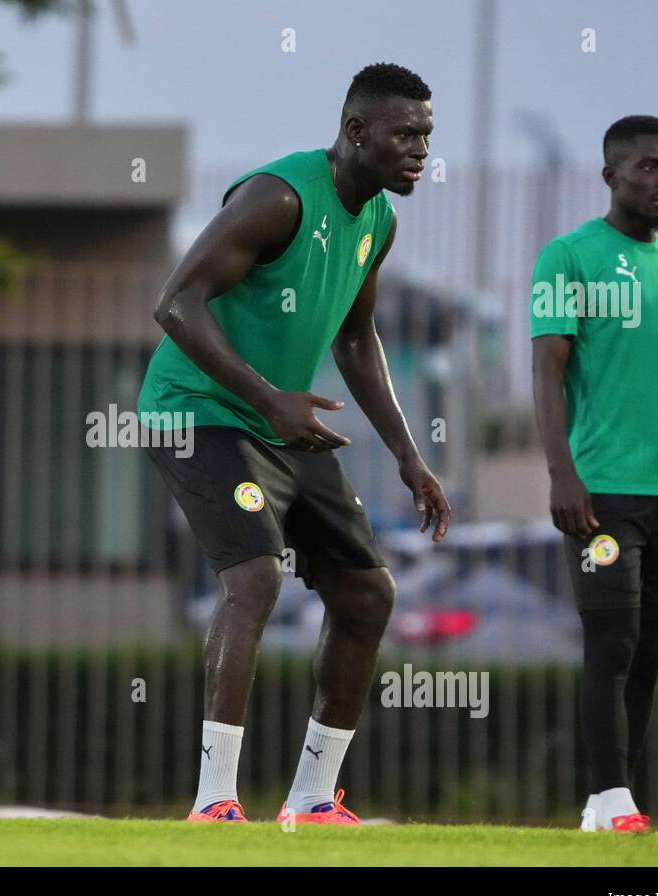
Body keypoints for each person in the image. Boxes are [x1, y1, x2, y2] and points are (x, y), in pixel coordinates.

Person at [137, 63, 451, 824]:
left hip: (276, 423)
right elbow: (174, 303)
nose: (420, 150)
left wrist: (408, 454)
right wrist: (267, 398)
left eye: (427, 136)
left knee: (368, 592)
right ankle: (214, 801)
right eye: (406, 135)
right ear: (356, 131)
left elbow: (356, 338)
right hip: (197, 414)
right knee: (255, 579)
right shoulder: (279, 197)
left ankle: (312, 800)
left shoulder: (378, 220)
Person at [531, 115, 658, 833]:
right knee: (612, 642)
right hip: (602, 493)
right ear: (611, 175)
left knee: (649, 651)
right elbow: (547, 370)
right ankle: (614, 796)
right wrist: (561, 473)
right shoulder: (568, 257)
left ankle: (608, 802)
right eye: (650, 166)